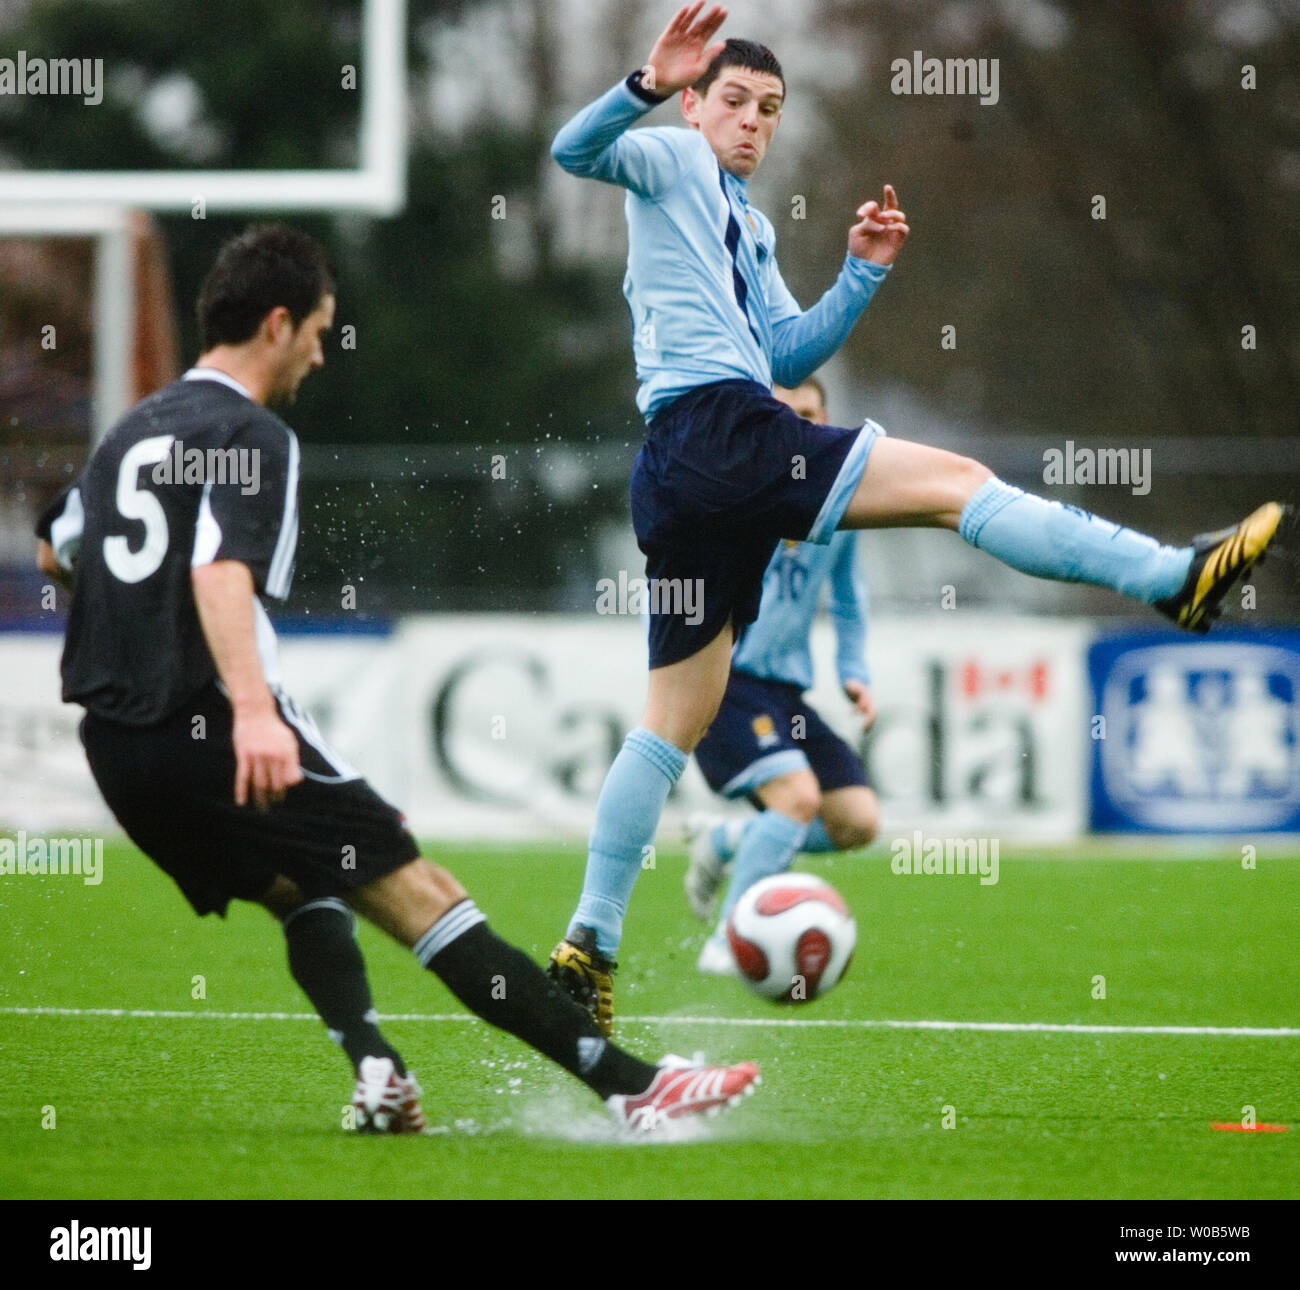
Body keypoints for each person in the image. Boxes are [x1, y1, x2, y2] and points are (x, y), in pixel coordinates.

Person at [545, 3, 1284, 1034]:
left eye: (768, 108)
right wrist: (645, 80)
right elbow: (569, 150)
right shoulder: (667, 158)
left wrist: (861, 273)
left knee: (670, 722)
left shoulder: (744, 225)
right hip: (720, 431)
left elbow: (787, 357)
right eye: (734, 102)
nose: (752, 123)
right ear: (694, 102)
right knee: (956, 485)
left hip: (679, 466)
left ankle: (589, 942)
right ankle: (1172, 579)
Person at [35, 223, 759, 1133]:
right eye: (319, 330)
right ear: (276, 322)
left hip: (117, 750)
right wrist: (254, 714)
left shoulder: (129, 433)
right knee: (427, 898)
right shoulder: (250, 433)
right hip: (215, 722)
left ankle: (376, 1069)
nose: (321, 353)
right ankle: (634, 1088)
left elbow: (56, 542)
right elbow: (217, 573)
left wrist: (126, 621)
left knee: (305, 888)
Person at [685, 377, 879, 975]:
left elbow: (848, 596)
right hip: (726, 680)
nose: (803, 426)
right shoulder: (738, 493)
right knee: (797, 800)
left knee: (856, 820)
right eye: (788, 415)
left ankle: (727, 843)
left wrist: (853, 671)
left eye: (812, 414)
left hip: (785, 689)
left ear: (827, 420)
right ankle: (728, 938)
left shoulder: (839, 511)